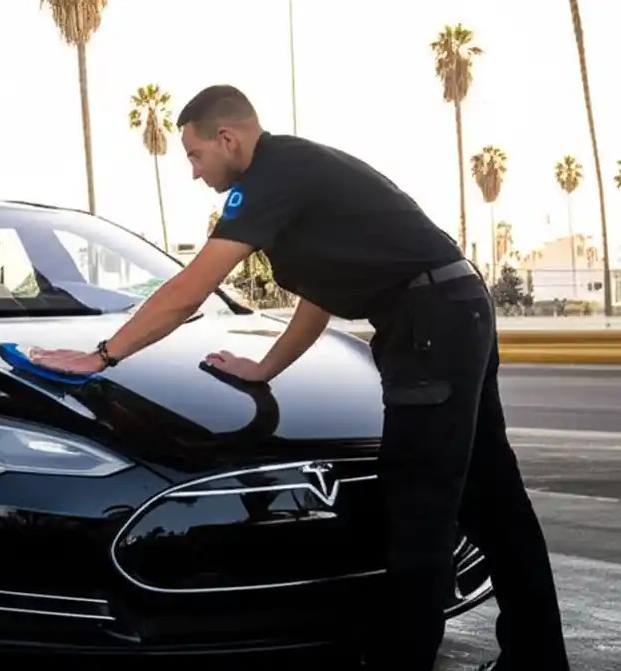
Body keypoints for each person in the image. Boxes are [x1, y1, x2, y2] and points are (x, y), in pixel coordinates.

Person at [28, 84, 568, 671]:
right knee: (492, 499)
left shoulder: (270, 176)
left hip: (430, 326)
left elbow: (190, 289)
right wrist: (267, 367)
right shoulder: (297, 173)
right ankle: (538, 658)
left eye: (194, 155)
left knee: (419, 511)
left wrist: (102, 355)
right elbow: (319, 295)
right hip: (453, 311)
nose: (192, 172)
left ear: (227, 138)